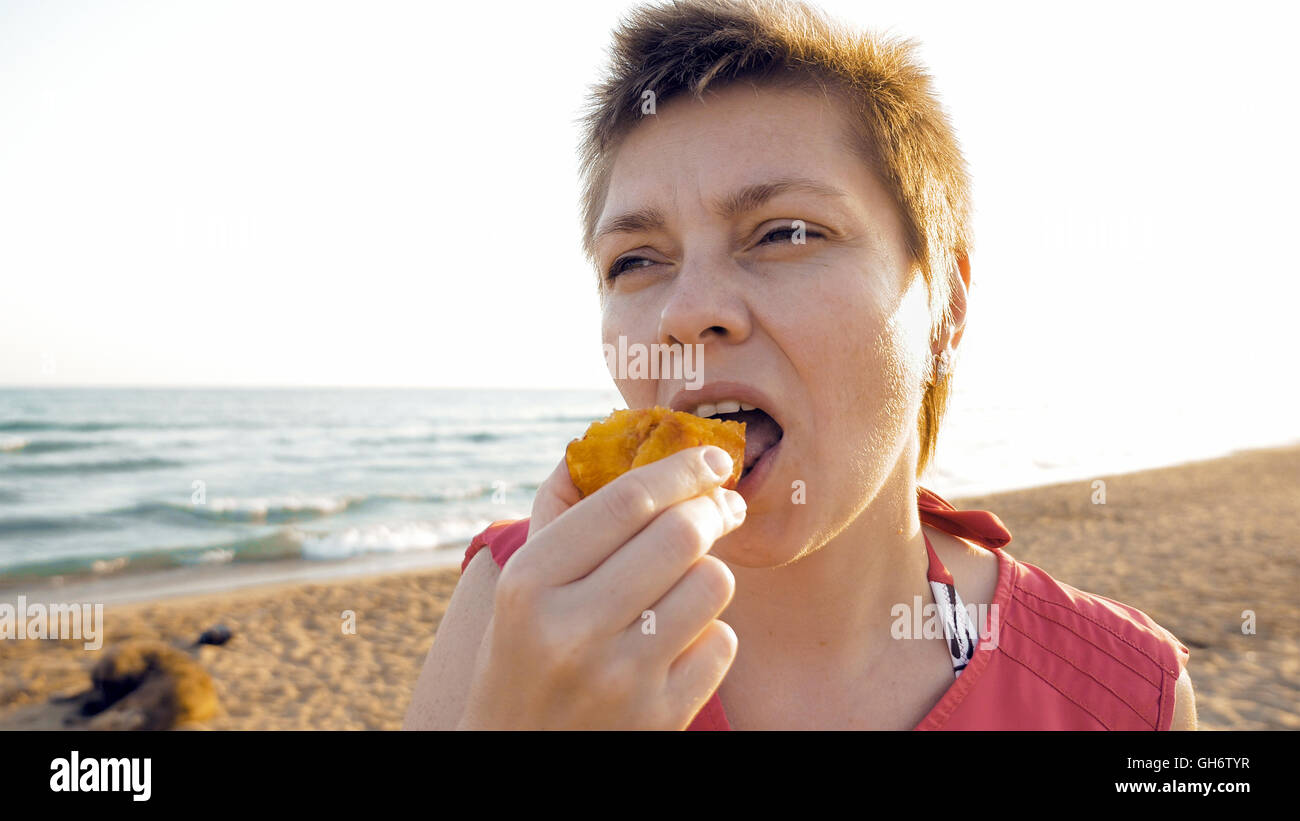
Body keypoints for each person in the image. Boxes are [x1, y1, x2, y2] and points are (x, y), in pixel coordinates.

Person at [403, 0, 1195, 730]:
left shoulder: (1126, 696)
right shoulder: (514, 608)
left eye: (786, 233)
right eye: (636, 259)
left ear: (947, 306)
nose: (686, 312)